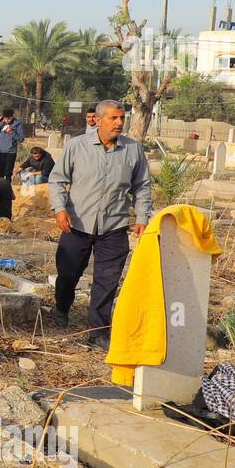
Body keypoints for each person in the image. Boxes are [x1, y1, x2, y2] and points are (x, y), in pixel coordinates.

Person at [48, 99, 152, 350]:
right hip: (77, 224)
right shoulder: (77, 146)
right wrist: (59, 209)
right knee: (68, 274)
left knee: (107, 280)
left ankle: (98, 331)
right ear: (98, 119)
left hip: (114, 226)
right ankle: (62, 307)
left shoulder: (133, 150)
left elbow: (142, 186)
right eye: (113, 118)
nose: (119, 123)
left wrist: (141, 217)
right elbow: (58, 180)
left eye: (122, 118)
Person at [0, 107, 24, 179]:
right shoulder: (0, 123)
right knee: (1, 172)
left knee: (8, 172)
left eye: (9, 118)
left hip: (11, 152)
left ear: (13, 116)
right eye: (5, 118)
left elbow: (21, 139)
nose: (7, 120)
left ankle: (7, 188)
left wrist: (12, 132)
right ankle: (0, 188)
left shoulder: (18, 124)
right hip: (0, 151)